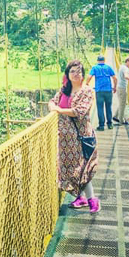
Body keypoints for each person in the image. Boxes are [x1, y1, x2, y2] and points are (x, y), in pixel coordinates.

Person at [48, 60, 100, 213]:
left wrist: (58, 110)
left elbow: (79, 111)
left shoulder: (87, 91)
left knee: (82, 169)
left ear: (83, 75)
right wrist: (52, 106)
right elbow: (53, 101)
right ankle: (81, 198)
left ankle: (92, 199)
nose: (76, 74)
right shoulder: (64, 90)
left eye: (79, 71)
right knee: (70, 168)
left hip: (80, 137)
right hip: (64, 139)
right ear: (68, 74)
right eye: (72, 71)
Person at [86, 55, 117, 131]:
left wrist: (87, 83)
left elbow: (89, 76)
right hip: (108, 90)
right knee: (108, 107)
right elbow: (115, 78)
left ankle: (101, 126)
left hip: (99, 91)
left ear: (97, 60)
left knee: (100, 108)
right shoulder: (108, 67)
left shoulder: (95, 68)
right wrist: (115, 87)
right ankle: (110, 124)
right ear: (104, 60)